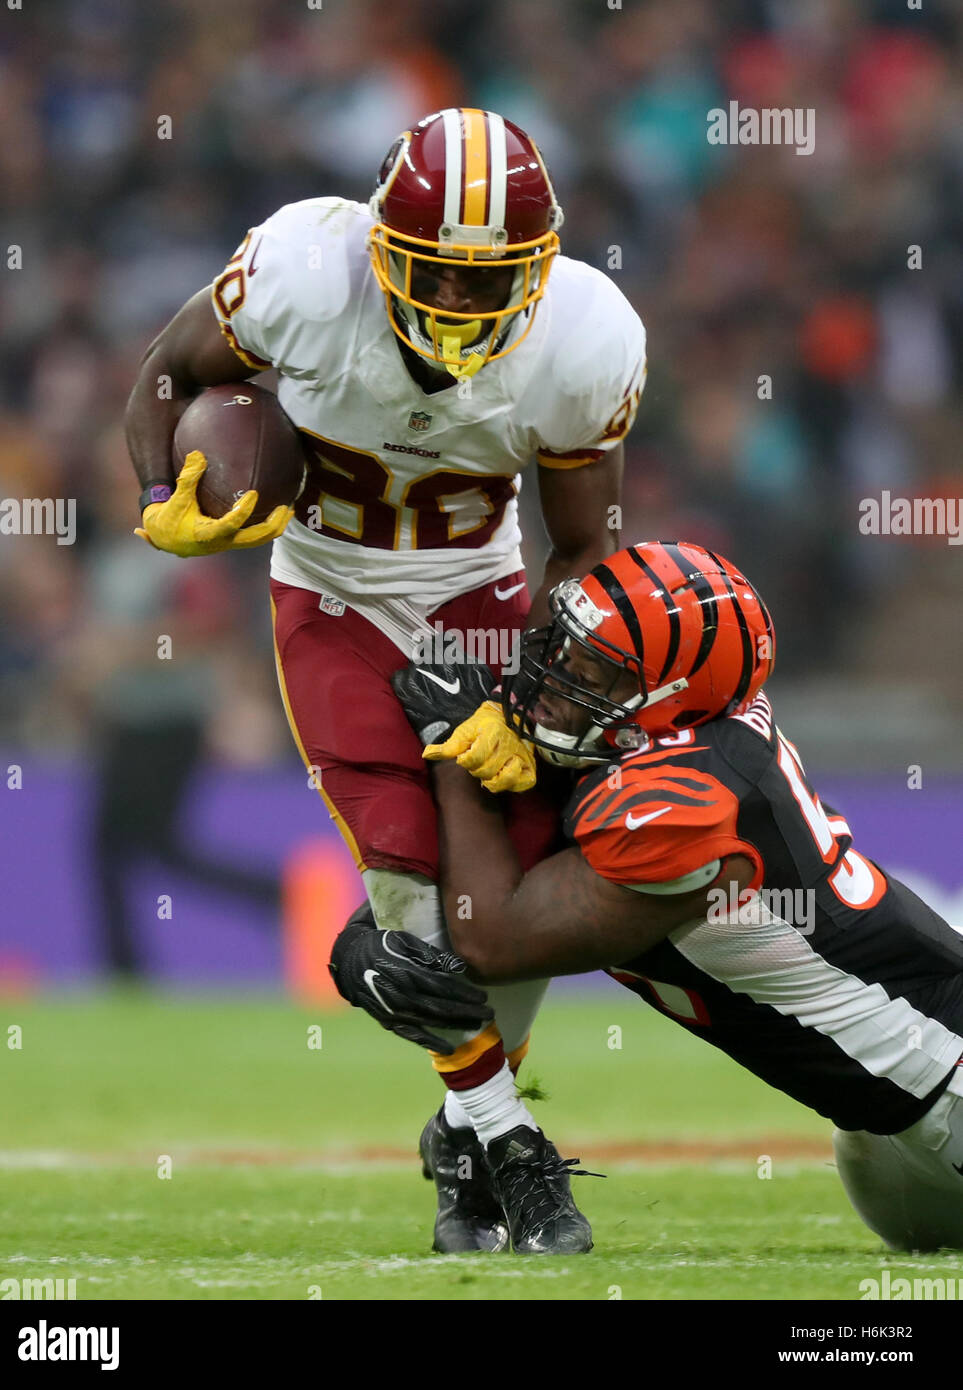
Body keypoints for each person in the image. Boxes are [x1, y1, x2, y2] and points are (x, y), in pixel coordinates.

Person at [125, 108, 647, 1254]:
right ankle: (506, 1145)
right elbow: (166, 374)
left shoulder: (581, 333)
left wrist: (549, 697)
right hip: (333, 595)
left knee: (512, 893)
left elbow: (587, 547)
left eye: (491, 282)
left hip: (480, 596)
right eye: (436, 278)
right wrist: (164, 496)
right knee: (408, 881)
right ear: (376, 250)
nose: (463, 309)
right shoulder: (306, 272)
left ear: (540, 266)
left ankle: (461, 1135)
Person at [337, 541, 963, 1253]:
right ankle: (463, 1125)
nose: (556, 674)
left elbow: (492, 936)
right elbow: (528, 872)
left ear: (666, 696)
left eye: (592, 667)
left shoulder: (679, 800)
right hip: (885, 1130)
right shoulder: (656, 739)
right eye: (568, 645)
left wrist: (454, 751)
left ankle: (461, 1125)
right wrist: (369, 928)